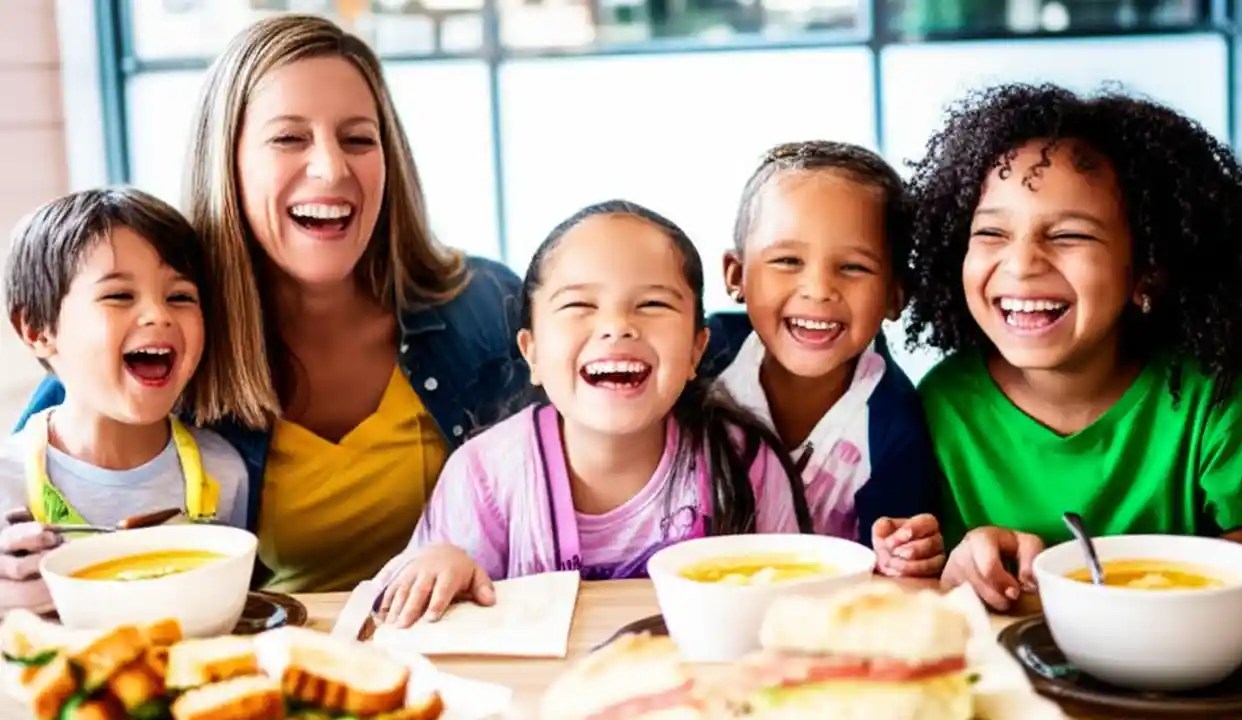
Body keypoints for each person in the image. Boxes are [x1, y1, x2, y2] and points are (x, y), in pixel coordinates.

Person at [16, 15, 528, 593]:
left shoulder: (487, 308)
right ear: (227, 164)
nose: (332, 168)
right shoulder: (168, 332)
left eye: (359, 138)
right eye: (289, 138)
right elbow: (41, 462)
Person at [905, 83, 1242, 609]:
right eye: (991, 233)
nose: (1021, 264)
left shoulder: (1212, 396)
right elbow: (930, 568)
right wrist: (963, 557)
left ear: (1148, 270)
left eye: (1069, 236)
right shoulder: (941, 403)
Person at [375, 200, 811, 627]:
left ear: (697, 349)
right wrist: (442, 564)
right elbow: (407, 613)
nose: (617, 325)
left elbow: (797, 608)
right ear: (533, 353)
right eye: (579, 306)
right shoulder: (484, 474)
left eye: (652, 305)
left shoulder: (744, 462)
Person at [0, 187, 250, 612]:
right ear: (37, 329)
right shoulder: (8, 480)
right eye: (119, 295)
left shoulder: (225, 474)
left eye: (181, 297)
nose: (159, 315)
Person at [713, 140, 944, 577]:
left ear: (897, 295)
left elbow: (891, 560)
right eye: (786, 260)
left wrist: (903, 552)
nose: (818, 289)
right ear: (736, 274)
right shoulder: (698, 363)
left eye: (853, 267)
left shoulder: (896, 425)